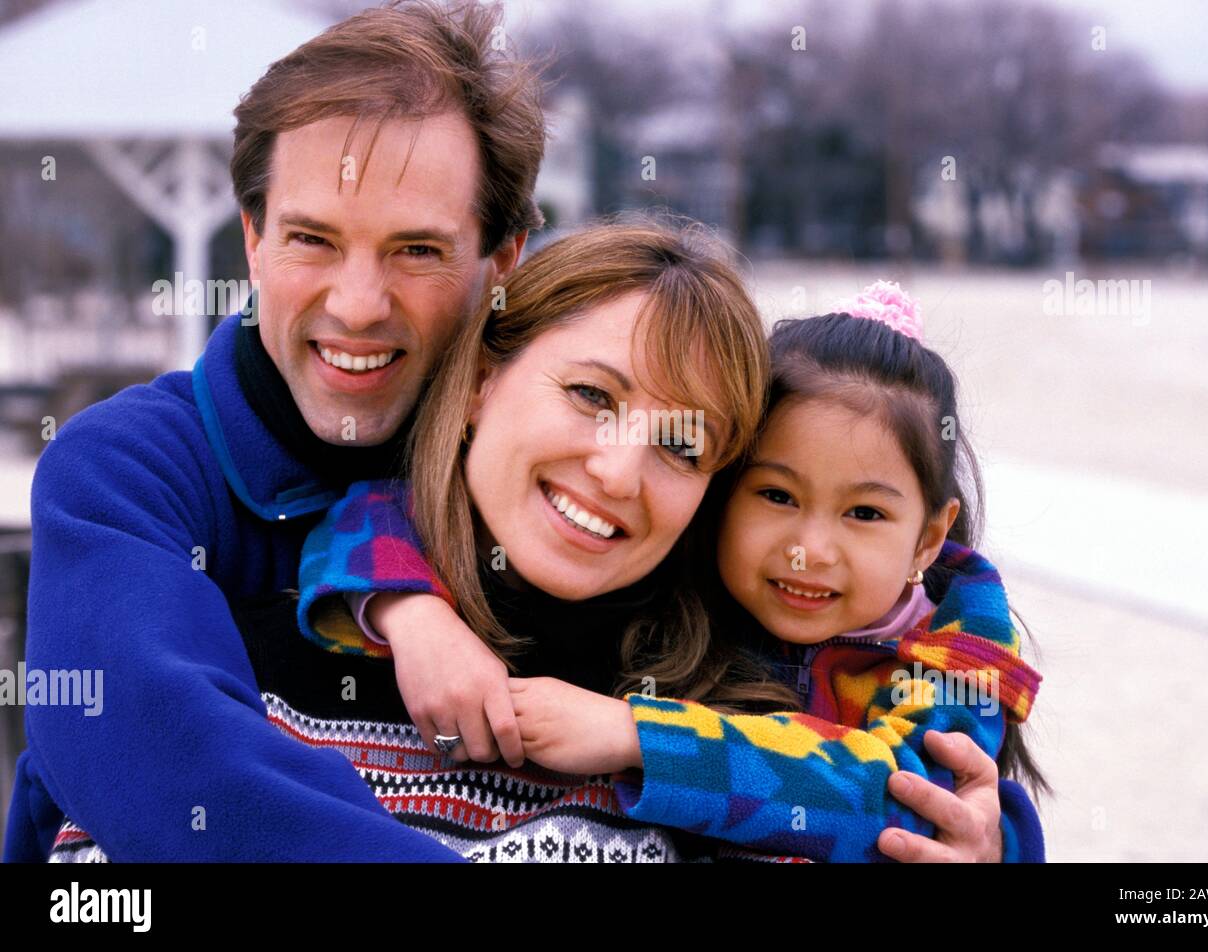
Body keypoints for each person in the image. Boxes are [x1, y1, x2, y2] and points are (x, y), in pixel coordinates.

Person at [287, 225, 1045, 862]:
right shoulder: (304, 614)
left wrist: (636, 737)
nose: (619, 475)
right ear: (482, 378)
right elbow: (374, 512)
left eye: (682, 446)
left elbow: (922, 803)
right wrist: (407, 612)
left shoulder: (923, 650)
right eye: (591, 396)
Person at [7, 0, 545, 862]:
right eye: (312, 240)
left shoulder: (567, 489)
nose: (358, 306)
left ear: (503, 261)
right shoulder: (124, 470)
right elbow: (169, 769)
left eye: (418, 250)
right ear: (253, 239)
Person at [608, 281, 1049, 860]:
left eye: (864, 513)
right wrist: (440, 610)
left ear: (928, 539)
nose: (810, 551)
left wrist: (636, 737)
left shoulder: (957, 663)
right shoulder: (672, 594)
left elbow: (897, 803)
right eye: (777, 495)